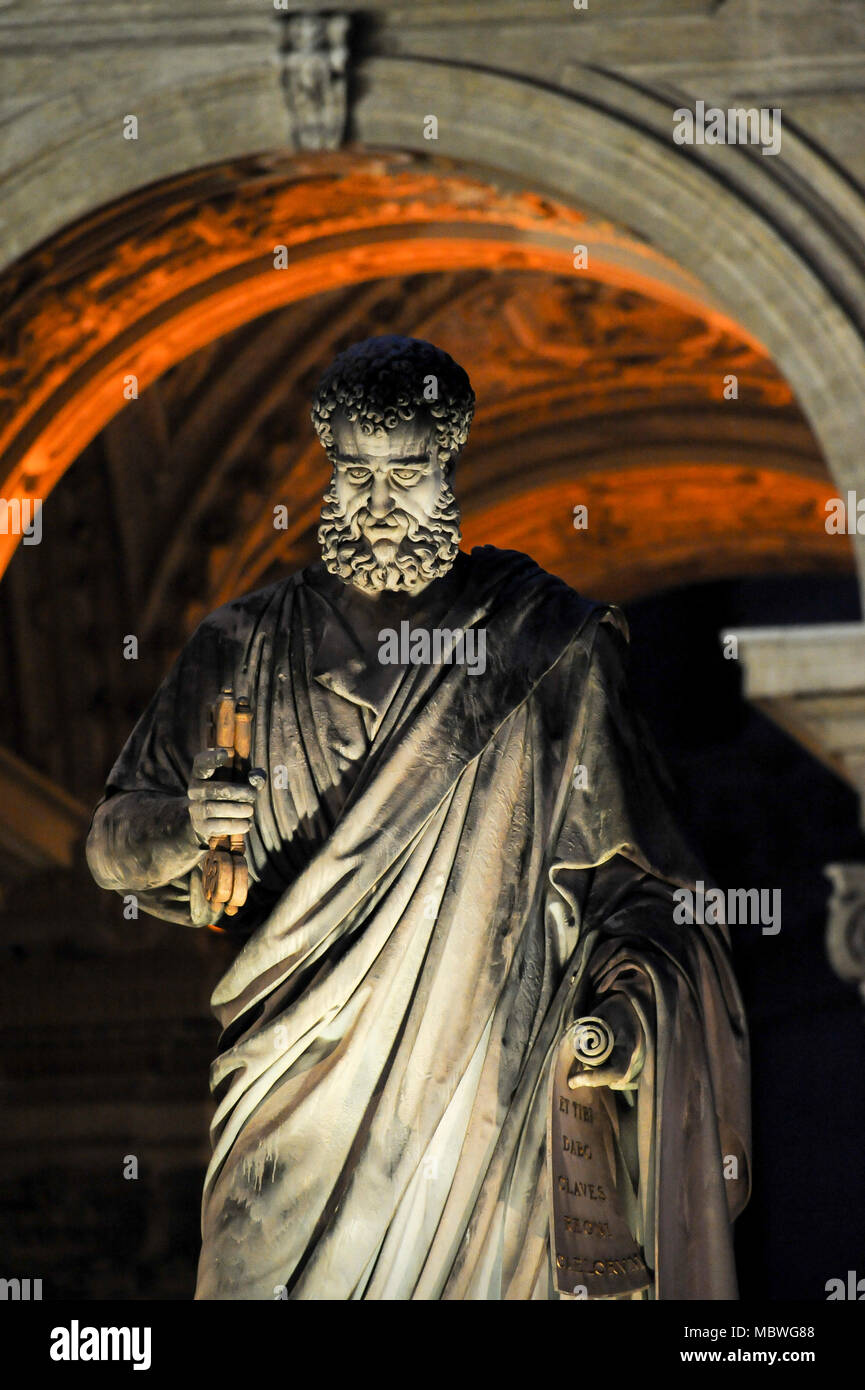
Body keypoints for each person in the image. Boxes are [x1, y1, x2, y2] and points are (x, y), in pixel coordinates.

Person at [86, 335, 750, 1299]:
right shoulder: (240, 644)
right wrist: (185, 828)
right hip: (287, 1090)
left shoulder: (541, 643)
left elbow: (645, 886)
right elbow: (111, 843)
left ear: (447, 466)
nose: (378, 501)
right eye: (355, 472)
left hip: (485, 1087)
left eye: (404, 472)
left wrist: (629, 1014)